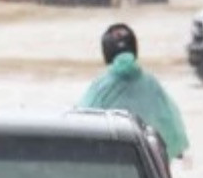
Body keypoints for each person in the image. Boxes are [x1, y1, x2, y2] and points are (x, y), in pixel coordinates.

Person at [79, 24, 190, 161]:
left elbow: (82, 124)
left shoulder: (100, 87)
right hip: (148, 164)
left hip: (110, 163)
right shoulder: (151, 84)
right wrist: (178, 152)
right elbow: (169, 124)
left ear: (106, 53)